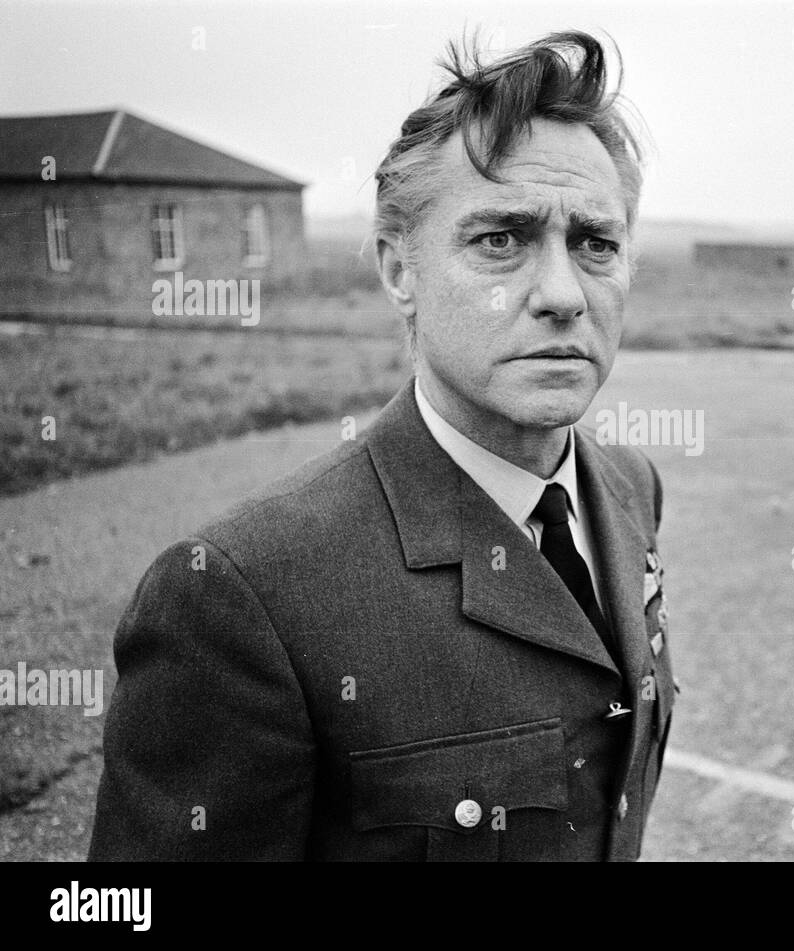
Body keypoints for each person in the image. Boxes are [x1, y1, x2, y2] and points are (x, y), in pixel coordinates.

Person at [88, 30, 675, 861]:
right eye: (499, 239)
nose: (561, 294)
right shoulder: (242, 598)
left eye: (596, 243)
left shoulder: (628, 486)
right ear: (400, 271)